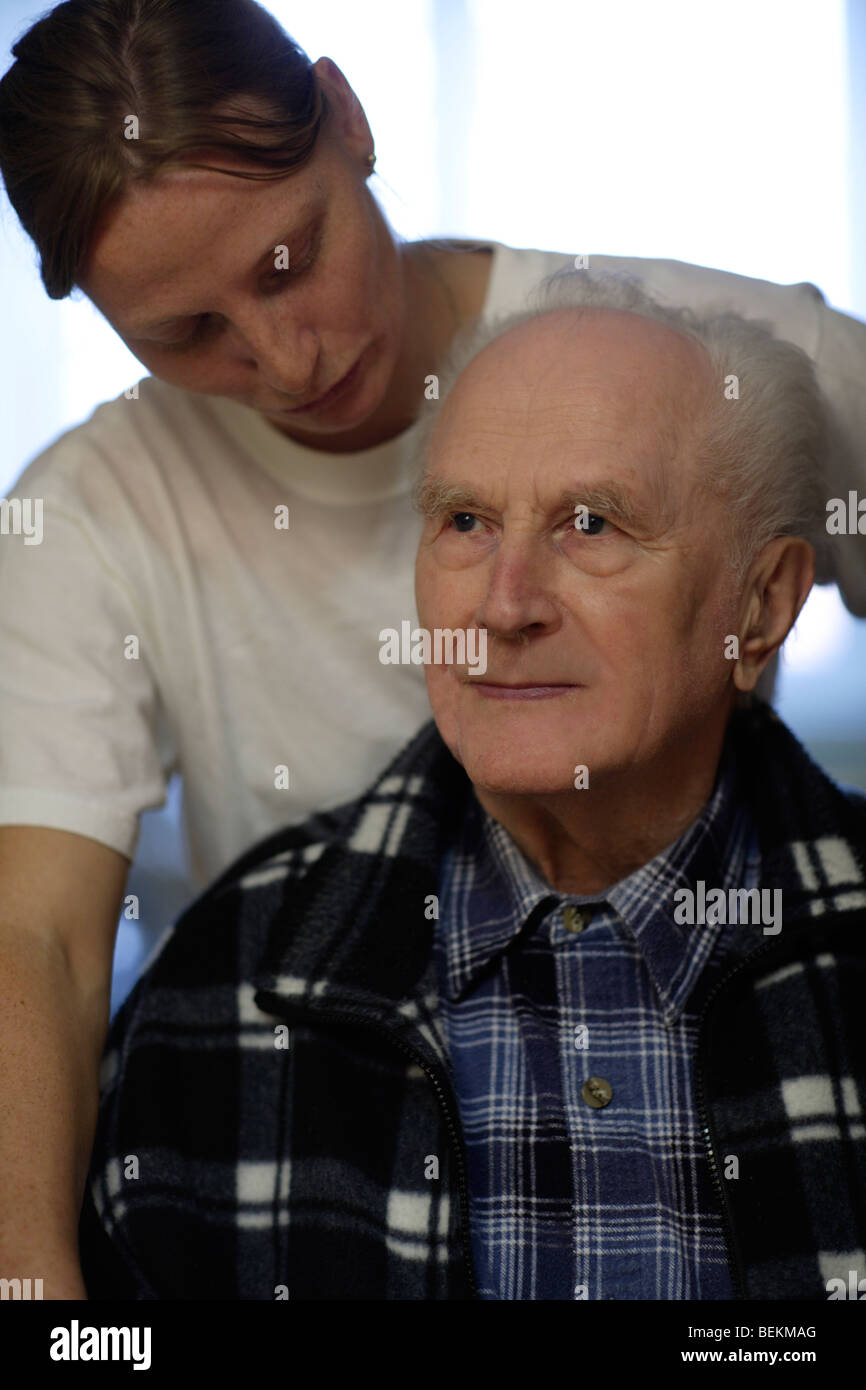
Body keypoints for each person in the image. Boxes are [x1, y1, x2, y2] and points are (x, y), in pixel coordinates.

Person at [0, 0, 864, 1300]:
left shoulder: (747, 367)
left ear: (347, 120)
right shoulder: (90, 516)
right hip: (317, 1114)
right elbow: (45, 937)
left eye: (290, 259)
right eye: (187, 334)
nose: (285, 358)